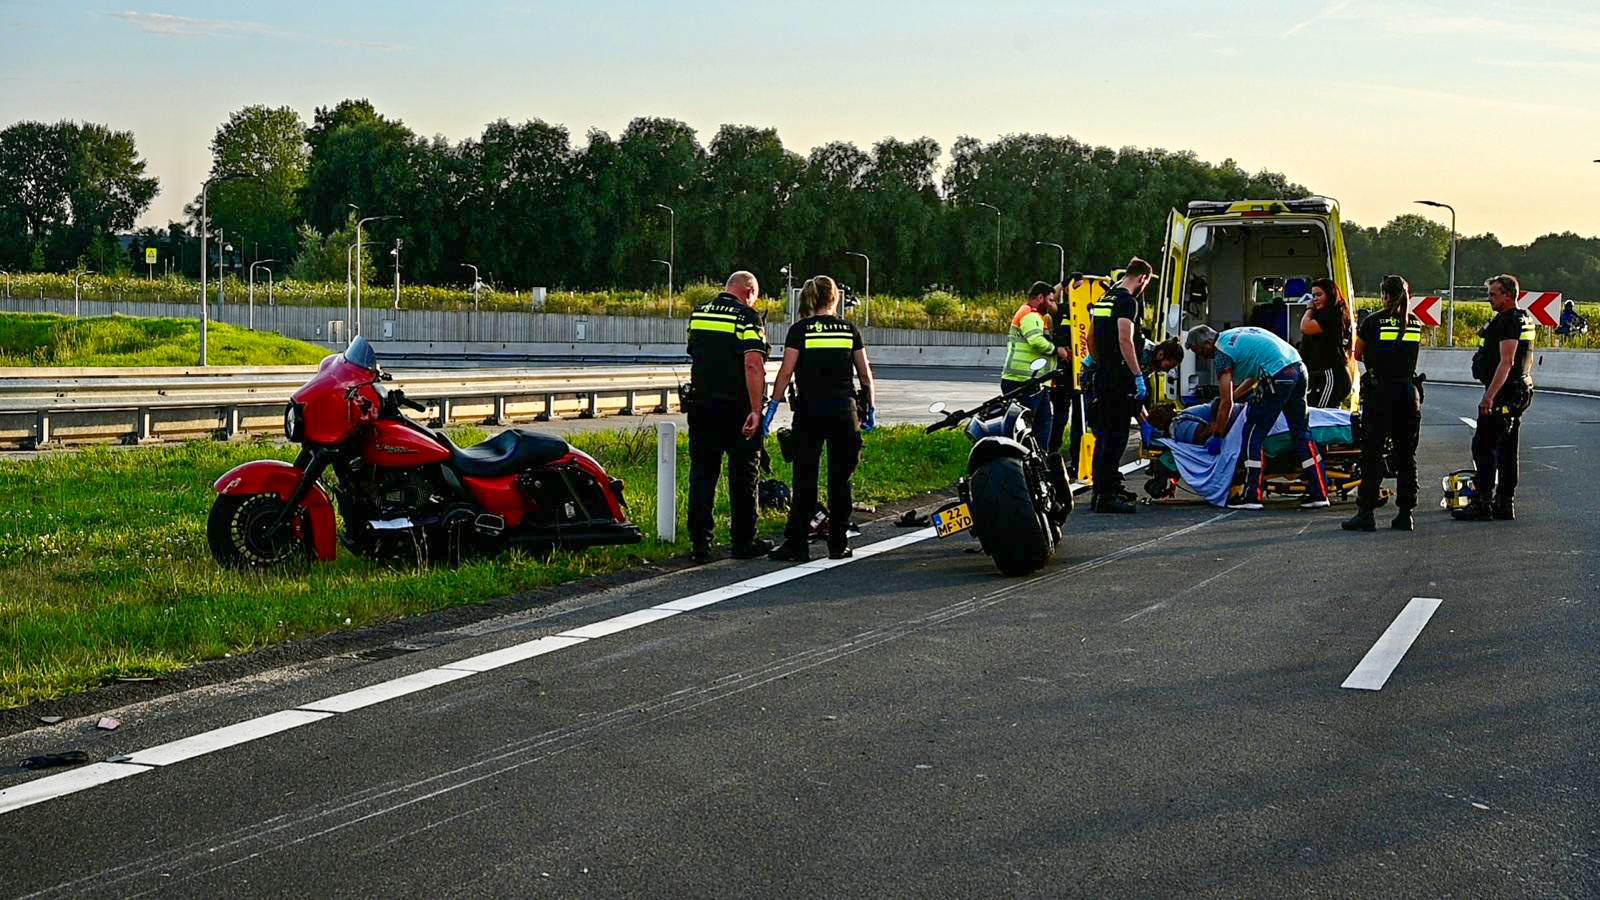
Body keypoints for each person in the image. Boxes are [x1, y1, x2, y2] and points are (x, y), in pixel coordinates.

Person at [764, 276, 876, 561]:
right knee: (841, 480)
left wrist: (773, 408)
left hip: (810, 412)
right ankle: (838, 544)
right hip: (843, 412)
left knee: (805, 479)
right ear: (835, 298)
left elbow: (786, 372)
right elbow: (864, 375)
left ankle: (798, 545)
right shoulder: (849, 330)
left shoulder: (800, 330)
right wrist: (870, 408)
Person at [1186, 324, 1329, 510]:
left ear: (1207, 343)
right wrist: (1236, 395)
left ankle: (1252, 496)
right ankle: (1320, 493)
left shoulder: (1221, 353)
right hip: (1298, 368)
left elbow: (1226, 403)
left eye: (1199, 351)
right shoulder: (1237, 335)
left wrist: (1218, 434)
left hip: (1277, 376)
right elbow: (1253, 375)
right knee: (1301, 432)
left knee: (1253, 433)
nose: (1202, 357)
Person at [684, 271, 774, 563]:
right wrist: (756, 409)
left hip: (701, 405)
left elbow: (695, 353)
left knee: (702, 474)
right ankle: (743, 541)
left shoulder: (699, 314)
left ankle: (700, 543)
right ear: (749, 291)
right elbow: (752, 365)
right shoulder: (747, 317)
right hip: (736, 408)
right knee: (744, 473)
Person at [1343, 275, 1424, 532]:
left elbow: (1357, 353)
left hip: (1381, 395)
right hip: (1409, 394)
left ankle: (1366, 513)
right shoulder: (1414, 322)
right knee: (1406, 456)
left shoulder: (1373, 321)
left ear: (1385, 295)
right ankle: (1405, 513)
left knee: (1373, 454)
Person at [1454, 273, 1535, 521]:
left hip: (1503, 392)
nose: (1489, 299)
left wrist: (1489, 397)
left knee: (1484, 447)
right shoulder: (1525, 319)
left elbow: (1507, 361)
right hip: (1518, 390)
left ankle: (1483, 503)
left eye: (1493, 294)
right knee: (1508, 450)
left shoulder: (1508, 321)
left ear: (1508, 295)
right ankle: (1504, 503)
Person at [1087, 259, 1157, 513]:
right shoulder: (1128, 301)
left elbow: (1090, 337)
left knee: (1105, 436)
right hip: (1119, 377)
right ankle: (1107, 497)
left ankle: (1103, 489)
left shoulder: (1106, 298)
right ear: (1142, 278)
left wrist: (1098, 361)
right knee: (1115, 438)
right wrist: (1137, 374)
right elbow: (1125, 338)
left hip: (1103, 375)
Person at [1001, 280, 1071, 451]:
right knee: (1030, 424)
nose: (1052, 305)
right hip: (1024, 380)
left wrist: (1063, 284)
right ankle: (1029, 459)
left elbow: (1049, 298)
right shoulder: (1030, 315)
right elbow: (1036, 342)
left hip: (1032, 380)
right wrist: (1057, 350)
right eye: (1050, 300)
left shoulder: (1033, 314)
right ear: (1040, 298)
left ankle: (1038, 459)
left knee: (1043, 421)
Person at [1300, 277, 1353, 408]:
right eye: (1313, 296)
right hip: (1321, 376)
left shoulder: (1331, 315)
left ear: (1330, 295)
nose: (1315, 299)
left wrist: (1309, 309)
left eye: (1319, 295)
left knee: (1318, 413)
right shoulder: (1327, 314)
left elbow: (1305, 327)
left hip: (1330, 375)